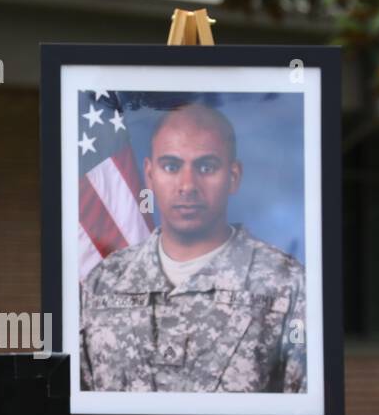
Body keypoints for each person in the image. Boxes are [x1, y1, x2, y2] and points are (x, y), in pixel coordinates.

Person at [79, 102, 305, 393]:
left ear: (233, 177)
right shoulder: (103, 282)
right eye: (171, 166)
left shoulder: (286, 284)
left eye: (206, 167)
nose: (187, 185)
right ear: (150, 175)